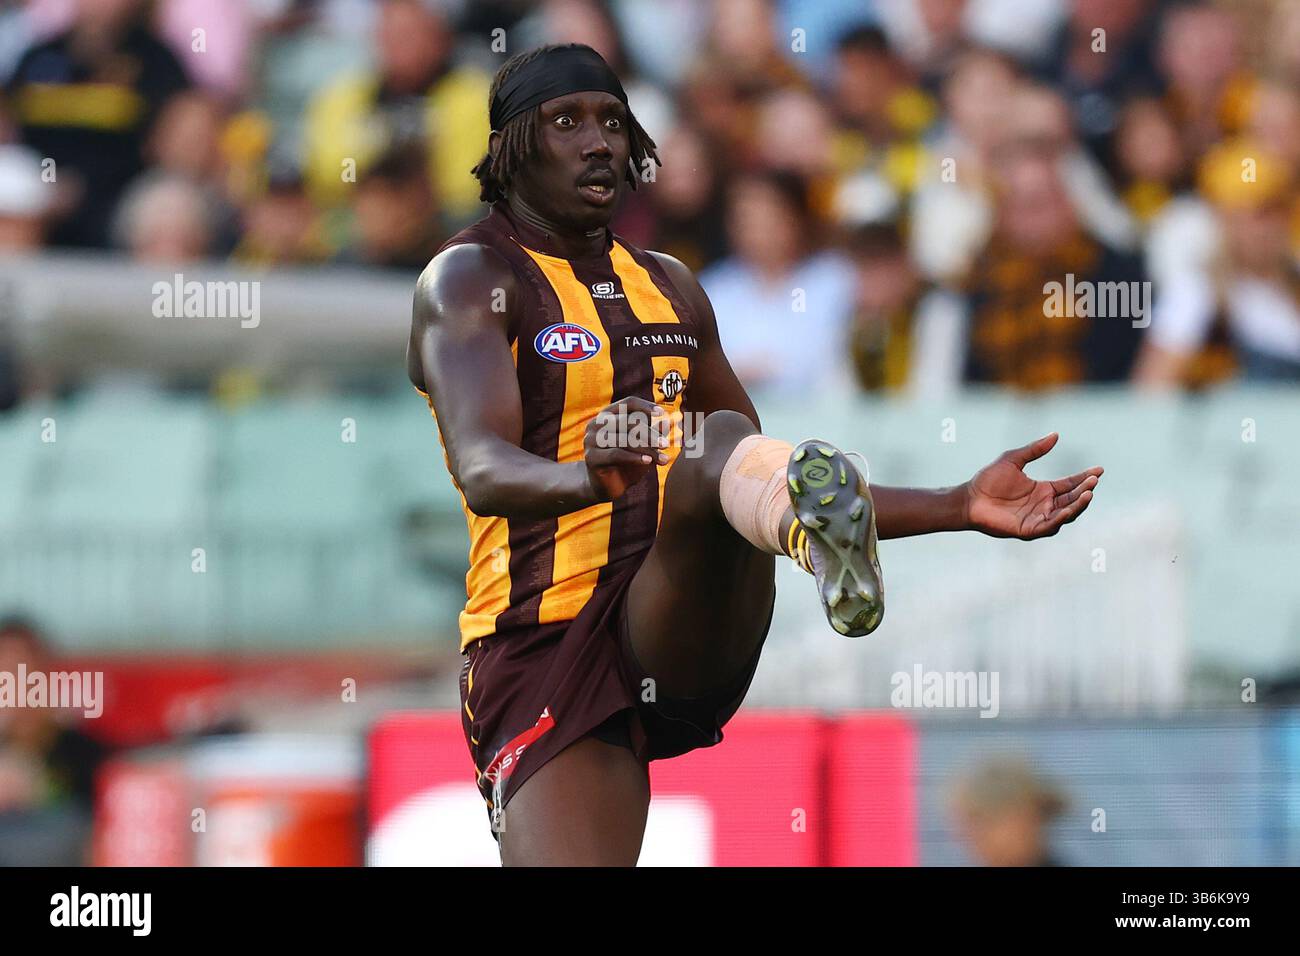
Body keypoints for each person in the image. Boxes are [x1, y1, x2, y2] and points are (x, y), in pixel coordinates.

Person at [406, 44, 1103, 866]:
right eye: (568, 122)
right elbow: (482, 467)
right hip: (537, 636)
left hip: (674, 607)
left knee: (724, 445)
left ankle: (812, 544)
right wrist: (585, 478)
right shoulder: (468, 278)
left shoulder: (671, 285)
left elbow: (762, 471)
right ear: (514, 145)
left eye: (613, 122)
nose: (600, 143)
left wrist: (960, 504)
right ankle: (806, 538)